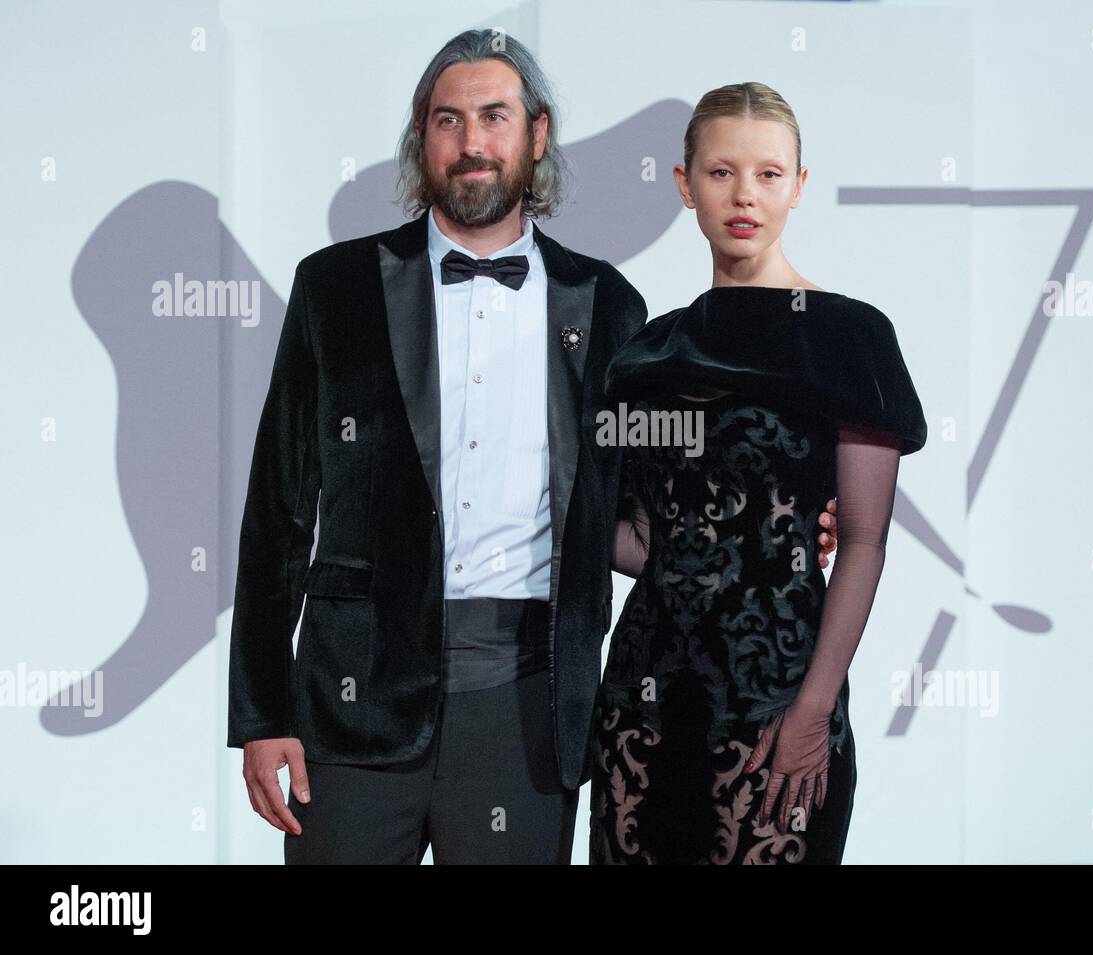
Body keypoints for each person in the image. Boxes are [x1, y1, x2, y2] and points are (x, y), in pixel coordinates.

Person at [227, 33, 840, 864]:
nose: (472, 143)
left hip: (529, 707)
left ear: (536, 136)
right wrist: (264, 717)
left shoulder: (612, 307)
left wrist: (782, 521)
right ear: (421, 136)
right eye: (448, 120)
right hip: (353, 704)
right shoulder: (334, 289)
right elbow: (278, 507)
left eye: (494, 117)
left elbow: (642, 511)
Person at [589, 82, 927, 864]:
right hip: (642, 706)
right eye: (720, 172)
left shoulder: (850, 338)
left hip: (780, 706)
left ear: (799, 187)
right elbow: (641, 538)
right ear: (684, 185)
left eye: (769, 174)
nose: (745, 195)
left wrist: (813, 710)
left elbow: (867, 541)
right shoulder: (646, 353)